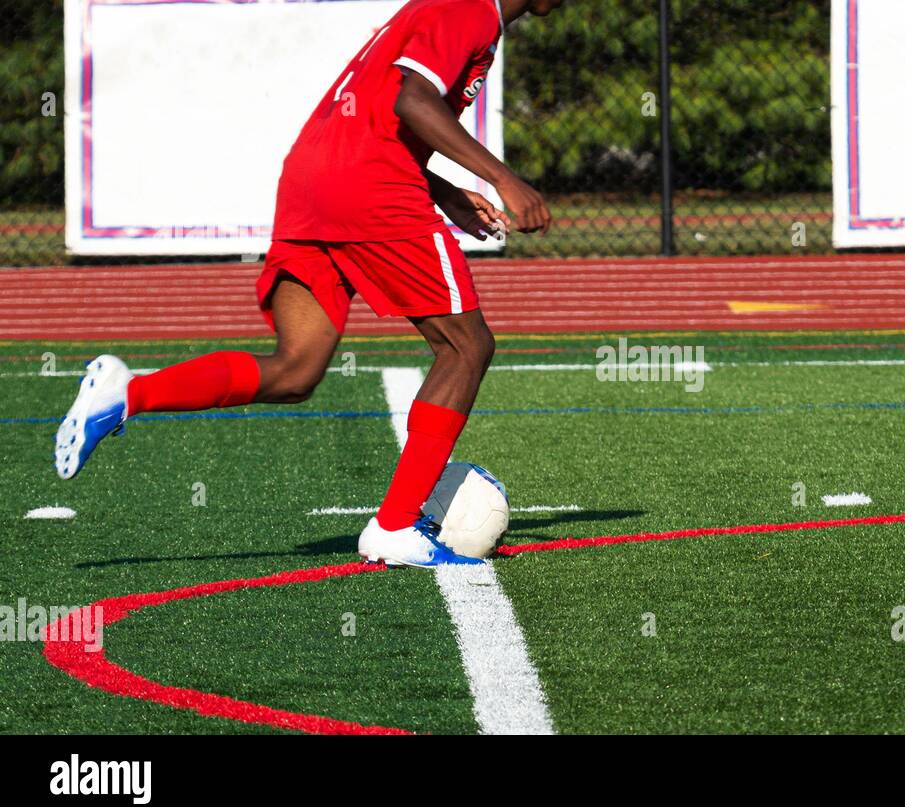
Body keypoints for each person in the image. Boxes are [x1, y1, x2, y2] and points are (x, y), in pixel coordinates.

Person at [52, 0, 565, 568]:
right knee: (467, 346)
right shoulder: (466, 7)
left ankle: (128, 393)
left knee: (297, 368)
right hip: (371, 188)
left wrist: (445, 191)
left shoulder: (448, 11)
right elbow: (413, 102)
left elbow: (379, 116)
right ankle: (395, 527)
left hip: (313, 179)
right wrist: (504, 179)